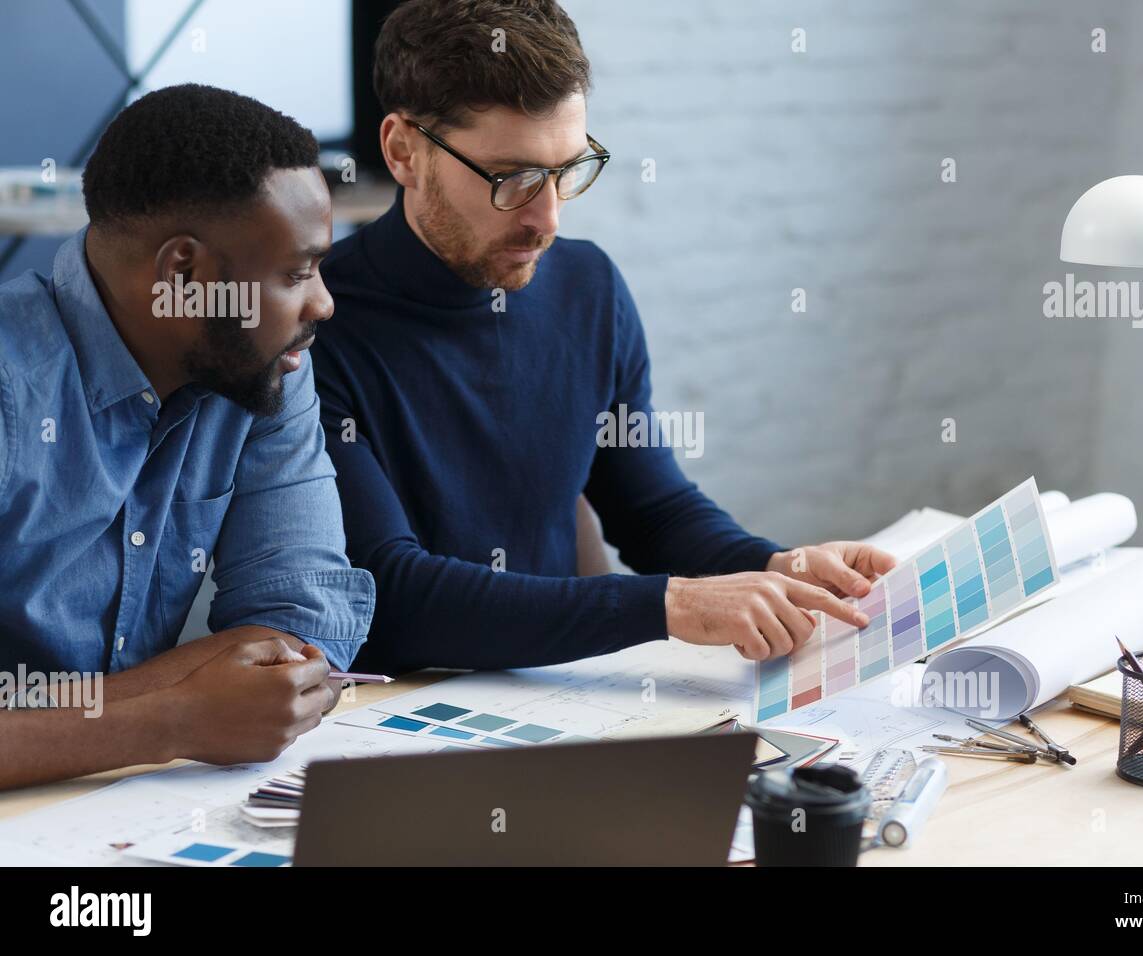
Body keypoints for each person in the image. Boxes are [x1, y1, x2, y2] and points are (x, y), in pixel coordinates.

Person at [312, 0, 894, 675]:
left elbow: (652, 512)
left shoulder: (587, 287)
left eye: (568, 169)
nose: (548, 217)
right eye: (514, 178)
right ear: (402, 151)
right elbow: (391, 595)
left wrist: (778, 568)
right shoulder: (315, 329)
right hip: (382, 718)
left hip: (550, 699)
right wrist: (668, 608)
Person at [0, 84, 374, 789]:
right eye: (296, 272)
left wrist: (48, 728)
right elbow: (214, 707)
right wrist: (171, 719)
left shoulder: (267, 364)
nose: (323, 302)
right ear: (185, 273)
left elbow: (300, 625)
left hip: (117, 807)